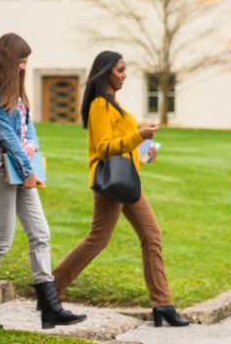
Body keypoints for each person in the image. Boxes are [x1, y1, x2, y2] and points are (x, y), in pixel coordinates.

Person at [52, 51, 188, 327]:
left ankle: (162, 305)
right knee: (97, 239)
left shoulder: (114, 104)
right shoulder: (100, 106)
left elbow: (121, 147)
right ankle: (49, 290)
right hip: (110, 184)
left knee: (152, 235)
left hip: (127, 181)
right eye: (121, 70)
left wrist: (143, 153)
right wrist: (140, 135)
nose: (125, 75)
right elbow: (104, 148)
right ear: (106, 73)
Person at [0, 33, 86, 329]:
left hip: (19, 166)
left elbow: (28, 126)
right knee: (2, 238)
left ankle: (50, 306)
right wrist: (28, 170)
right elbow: (3, 132)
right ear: (8, 59)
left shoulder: (15, 87)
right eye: (21, 61)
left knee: (40, 232)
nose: (24, 68)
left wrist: (32, 146)